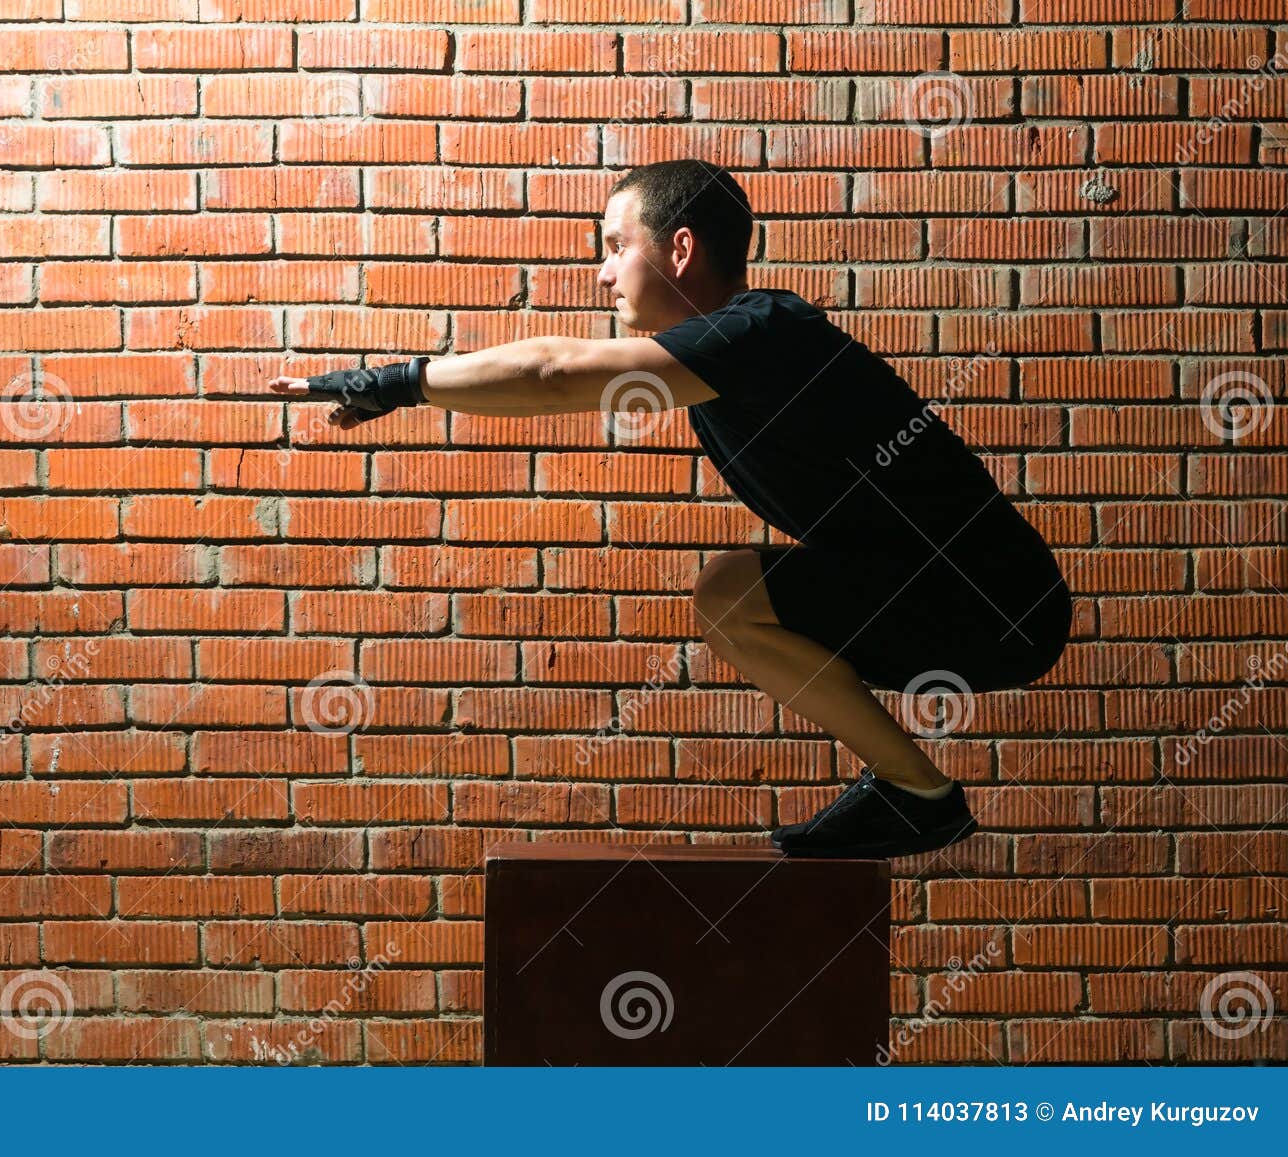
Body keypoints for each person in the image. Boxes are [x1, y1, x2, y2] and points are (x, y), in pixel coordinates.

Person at [269, 158, 1072, 860]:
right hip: (945, 596)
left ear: (680, 248)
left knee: (729, 591)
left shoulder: (765, 332)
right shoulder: (714, 376)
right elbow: (567, 378)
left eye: (616, 246)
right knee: (729, 597)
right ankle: (916, 795)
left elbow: (554, 372)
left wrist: (397, 381)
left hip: (994, 598)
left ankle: (918, 797)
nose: (603, 272)